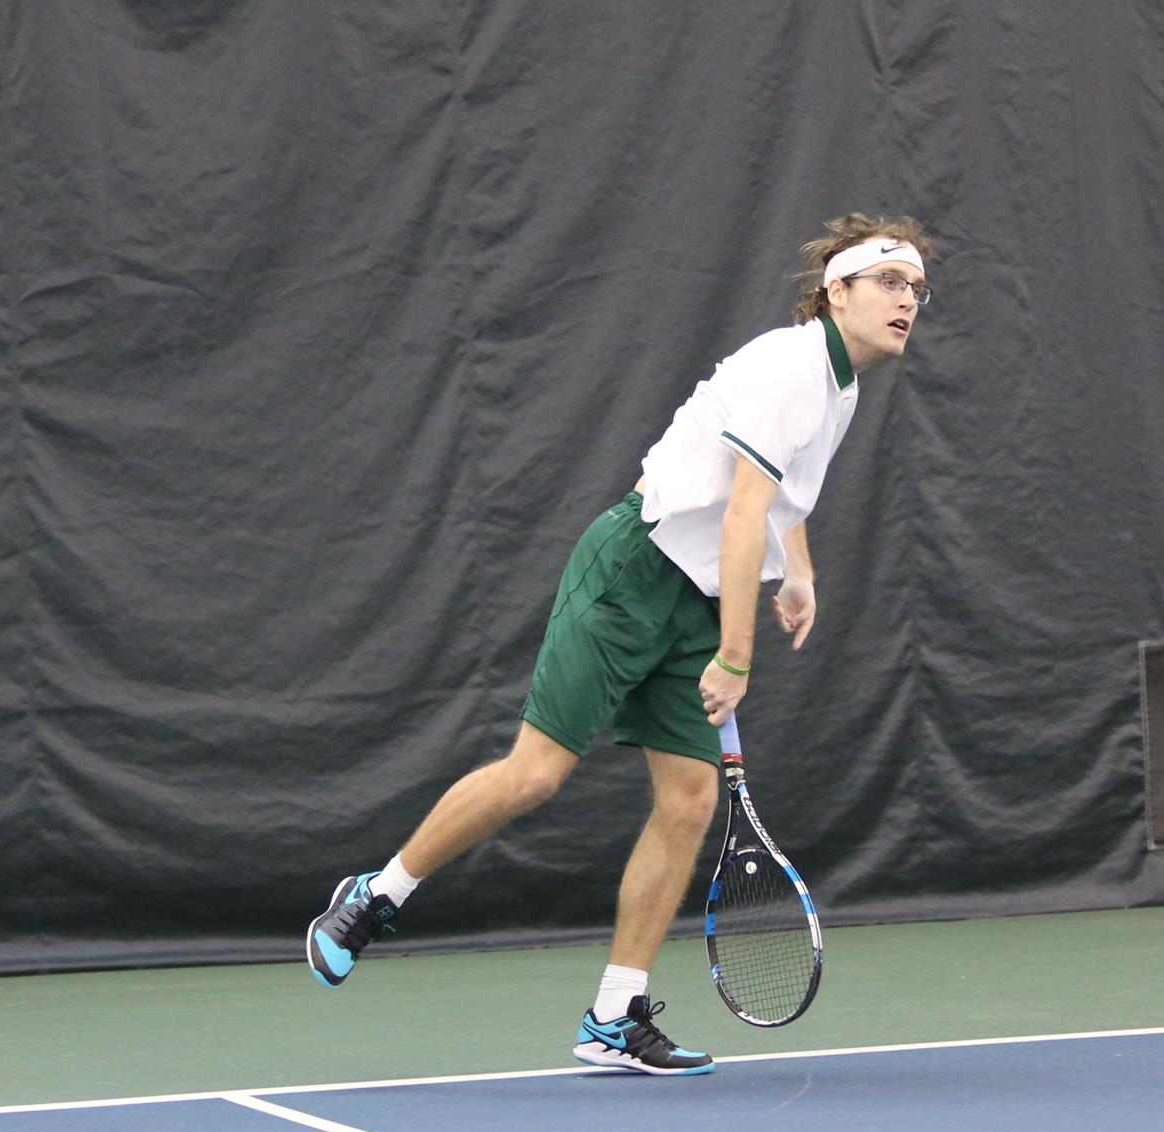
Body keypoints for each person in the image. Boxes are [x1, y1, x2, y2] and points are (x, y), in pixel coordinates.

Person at [304, 213, 935, 1076]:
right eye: (891, 283)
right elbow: (742, 509)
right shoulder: (789, 365)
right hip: (632, 570)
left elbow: (773, 502)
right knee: (535, 774)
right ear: (837, 290)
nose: (909, 300)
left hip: (698, 601)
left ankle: (613, 1016)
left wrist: (800, 571)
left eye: (917, 289)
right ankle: (376, 896)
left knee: (686, 803)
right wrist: (738, 657)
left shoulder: (839, 389)